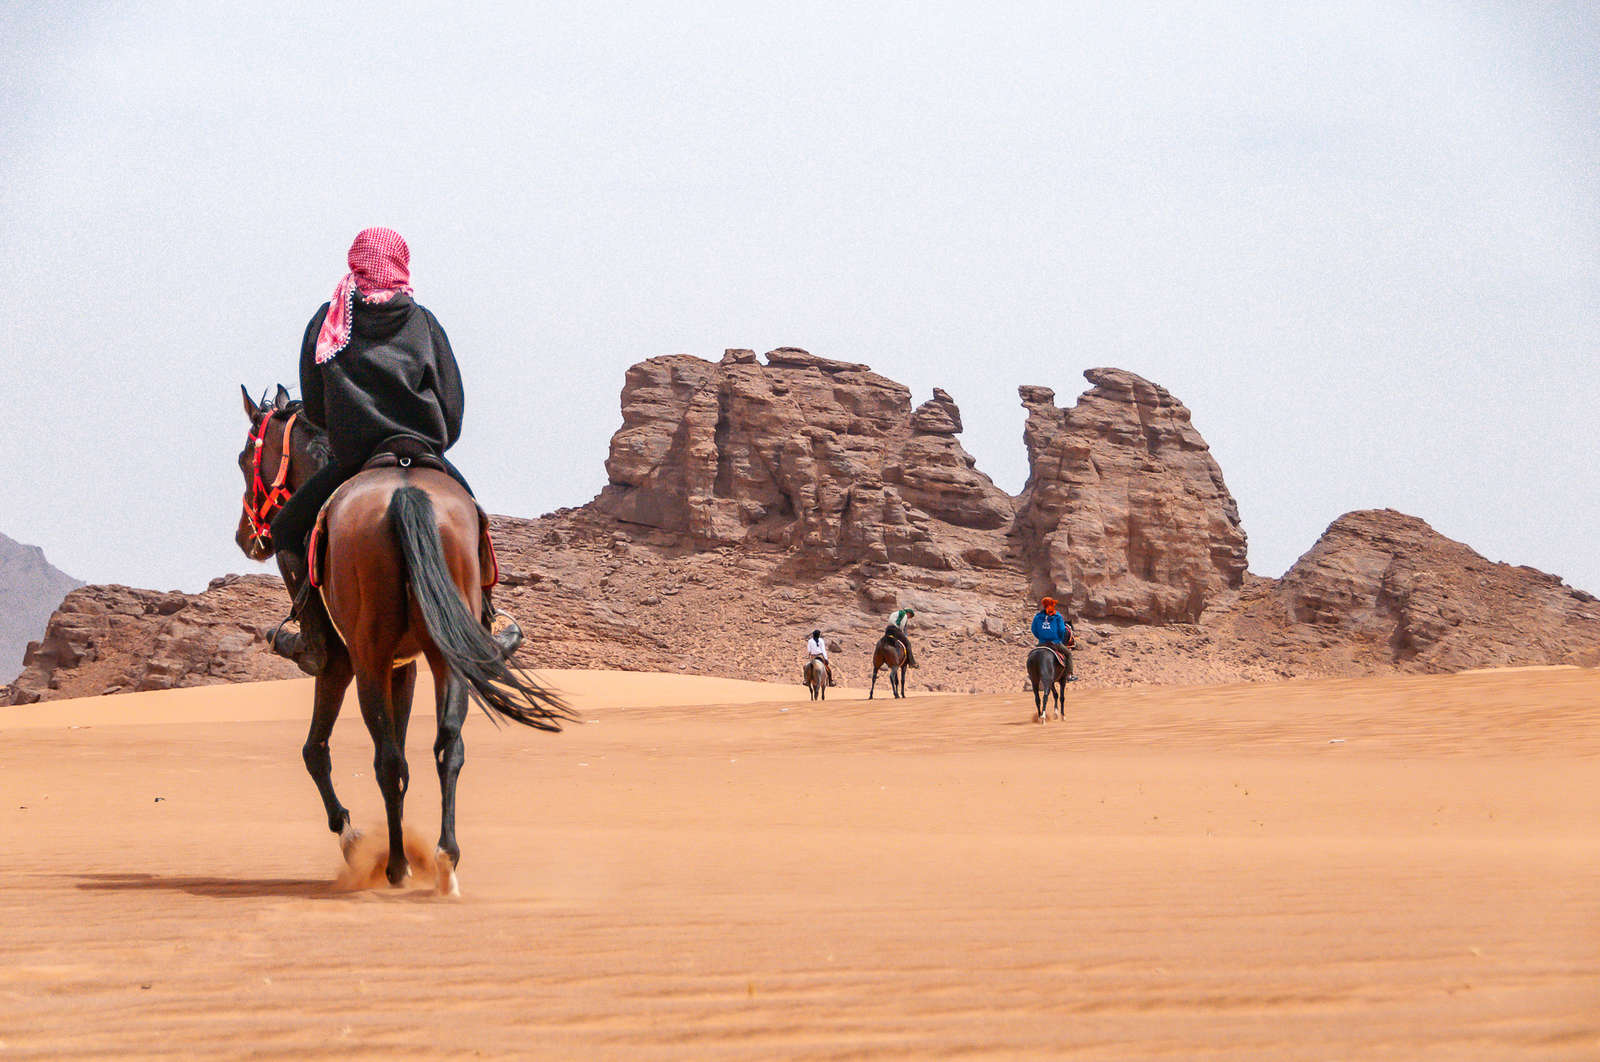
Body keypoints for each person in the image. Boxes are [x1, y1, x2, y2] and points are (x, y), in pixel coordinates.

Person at [266, 227, 519, 675]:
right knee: (474, 520)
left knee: (285, 531)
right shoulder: (422, 320)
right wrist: (435, 443)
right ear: (401, 263)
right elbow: (452, 401)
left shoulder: (331, 319)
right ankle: (490, 616)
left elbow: (314, 401)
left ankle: (310, 630)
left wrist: (344, 429)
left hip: (356, 459)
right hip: (423, 451)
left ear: (356, 262)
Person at [1030, 596, 1077, 681]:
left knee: (1032, 655)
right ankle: (1069, 675)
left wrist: (1041, 637)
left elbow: (1034, 630)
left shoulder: (1037, 616)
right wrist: (1058, 638)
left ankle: (1032, 674)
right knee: (1068, 654)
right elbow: (1062, 630)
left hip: (1042, 643)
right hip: (1055, 642)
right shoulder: (1057, 616)